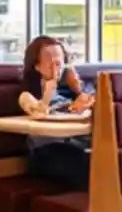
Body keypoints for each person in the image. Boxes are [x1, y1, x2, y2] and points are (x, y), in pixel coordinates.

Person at [17, 36, 95, 191]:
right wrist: (48, 92)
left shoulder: (72, 90)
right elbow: (39, 114)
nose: (56, 66)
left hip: (77, 146)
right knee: (90, 170)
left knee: (108, 163)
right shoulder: (27, 95)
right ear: (36, 66)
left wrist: (79, 90)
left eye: (59, 61)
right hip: (47, 152)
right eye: (49, 61)